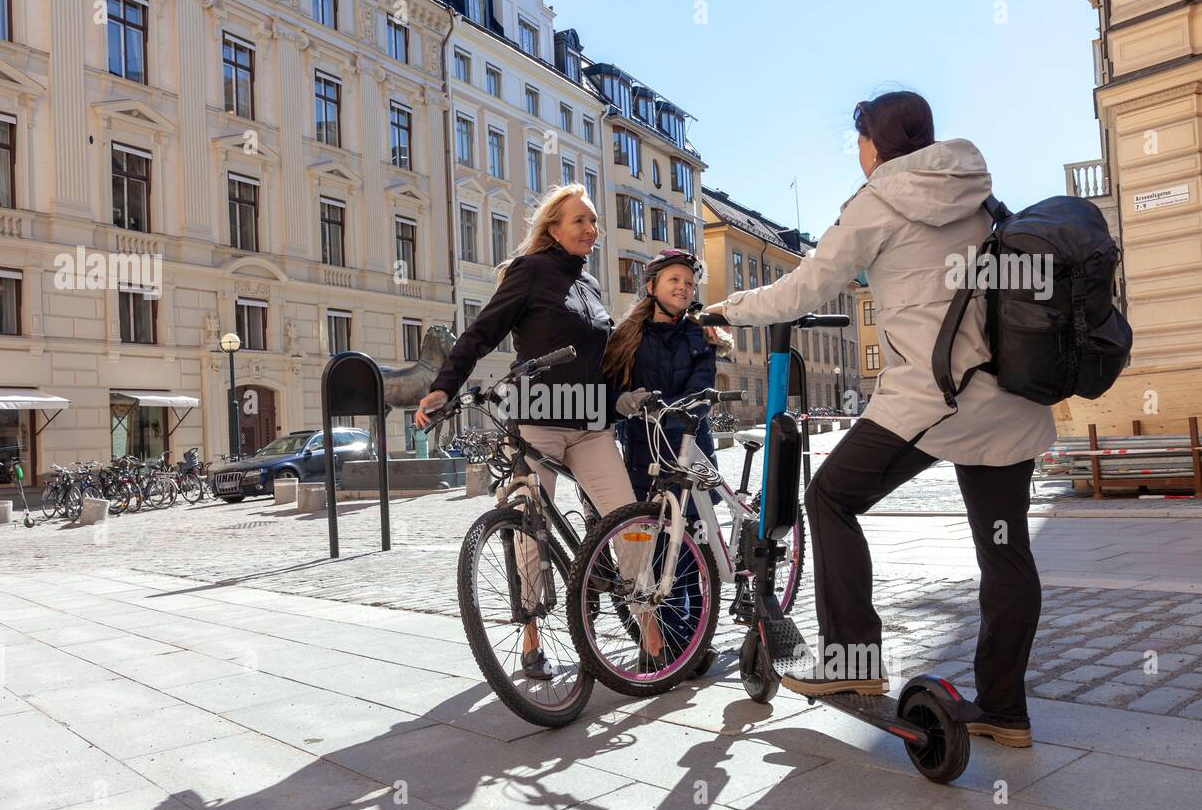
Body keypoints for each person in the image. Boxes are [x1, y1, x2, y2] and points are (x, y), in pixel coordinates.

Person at [702, 91, 1055, 747]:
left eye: (858, 138)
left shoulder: (880, 200)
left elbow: (803, 289)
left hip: (933, 397)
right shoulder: (972, 190)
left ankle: (851, 663)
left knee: (829, 496)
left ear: (874, 144)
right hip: (1008, 396)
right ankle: (1005, 710)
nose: (857, 150)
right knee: (1006, 555)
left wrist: (726, 309)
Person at [415, 183, 653, 678]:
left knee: (630, 524)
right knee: (529, 529)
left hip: (589, 424)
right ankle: (531, 637)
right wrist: (445, 386)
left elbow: (605, 360)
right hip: (538, 419)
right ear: (553, 228)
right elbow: (482, 332)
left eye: (593, 221)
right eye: (580, 221)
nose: (592, 229)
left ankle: (652, 632)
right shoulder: (530, 272)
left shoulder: (589, 286)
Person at [601, 249, 732, 668]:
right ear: (652, 286)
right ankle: (657, 638)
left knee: (690, 550)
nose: (683, 287)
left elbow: (703, 387)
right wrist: (623, 401)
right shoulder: (626, 337)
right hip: (643, 455)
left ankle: (691, 644)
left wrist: (677, 410)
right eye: (674, 280)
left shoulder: (699, 334)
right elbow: (608, 387)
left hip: (690, 451)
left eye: (689, 283)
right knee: (648, 553)